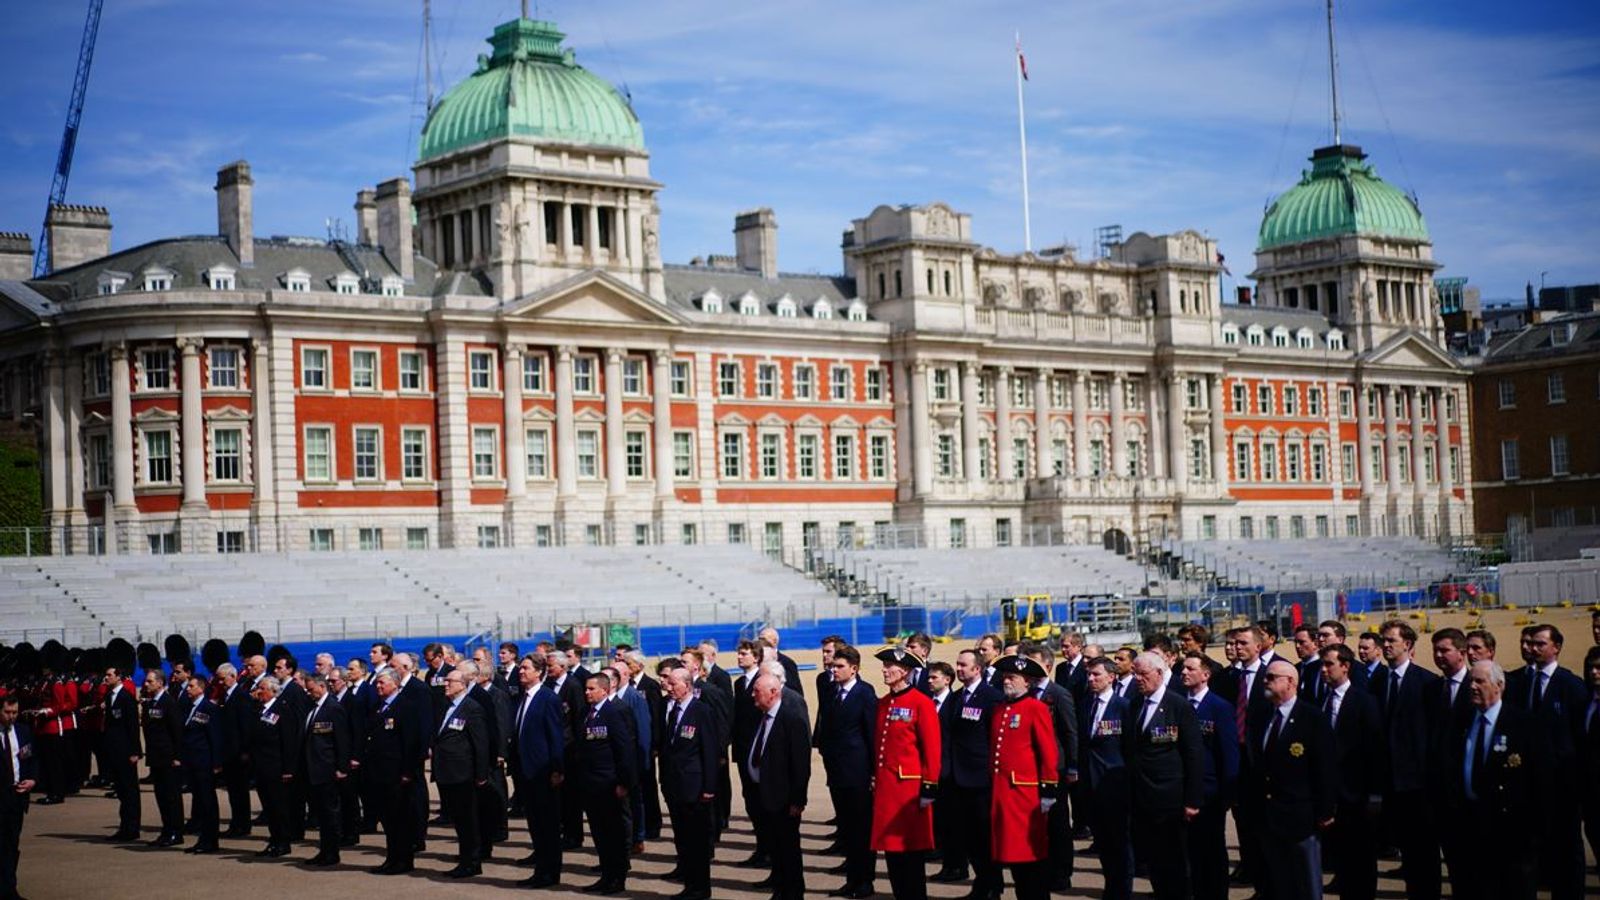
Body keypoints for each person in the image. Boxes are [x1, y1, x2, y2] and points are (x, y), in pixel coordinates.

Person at [1440, 661, 1552, 900]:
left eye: (1480, 681)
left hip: (1511, 834)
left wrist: (1534, 834)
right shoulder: (1462, 722)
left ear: (1499, 685)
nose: (1472, 686)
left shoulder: (1523, 725)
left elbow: (1541, 781)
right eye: (1471, 681)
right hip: (1469, 828)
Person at [1504, 623, 1586, 900]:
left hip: (1563, 784)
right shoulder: (1521, 683)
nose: (1534, 649)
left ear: (1556, 648)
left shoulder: (1571, 686)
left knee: (1567, 850)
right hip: (1530, 784)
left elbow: (1580, 737)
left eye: (1541, 644)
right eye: (1532, 644)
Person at [1243, 659, 1336, 900]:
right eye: (1266, 676)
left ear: (1291, 682)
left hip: (1300, 817)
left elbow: (1323, 768)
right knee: (1279, 883)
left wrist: (1325, 811)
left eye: (1272, 677)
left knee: (1305, 884)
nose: (1265, 680)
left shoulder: (1311, 718)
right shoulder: (1261, 716)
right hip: (1268, 816)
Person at [1124, 651, 1202, 900]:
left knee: (1175, 859)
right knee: (1154, 858)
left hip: (1171, 798)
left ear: (1159, 673)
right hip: (1143, 797)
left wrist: (1192, 799)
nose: (1137, 679)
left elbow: (1193, 755)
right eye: (1135, 673)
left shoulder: (1178, 706)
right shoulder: (1135, 704)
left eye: (1143, 674)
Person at [1373, 618, 1441, 900]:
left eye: (1391, 641)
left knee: (1424, 852)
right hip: (1390, 784)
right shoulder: (1377, 681)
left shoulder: (1427, 683)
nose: (1385, 646)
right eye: (1384, 641)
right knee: (1407, 853)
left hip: (1418, 786)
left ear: (1408, 645)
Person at [869, 646, 941, 900]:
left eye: (890, 667)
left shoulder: (921, 703)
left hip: (909, 791)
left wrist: (929, 785)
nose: (885, 670)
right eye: (885, 666)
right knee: (892, 853)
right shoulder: (884, 703)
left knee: (910, 855)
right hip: (887, 790)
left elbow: (931, 749)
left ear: (906, 671)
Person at [988, 655, 1059, 900]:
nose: (1006, 681)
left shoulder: (1036, 708)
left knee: (1031, 857)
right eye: (1005, 677)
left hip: (1026, 795)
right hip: (1003, 795)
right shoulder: (999, 709)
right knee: (1013, 858)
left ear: (1027, 682)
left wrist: (1049, 789)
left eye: (1012, 677)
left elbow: (1048, 752)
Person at [1318, 643, 1383, 900]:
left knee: (1362, 859)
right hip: (1333, 797)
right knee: (1342, 858)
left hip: (1358, 795)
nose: (1323, 670)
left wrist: (1375, 794)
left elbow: (1375, 750)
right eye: (1322, 664)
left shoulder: (1363, 702)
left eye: (1329, 664)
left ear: (1345, 667)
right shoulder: (1323, 701)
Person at [742, 671, 811, 900]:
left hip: (783, 799)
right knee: (776, 849)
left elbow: (801, 765)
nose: (753, 695)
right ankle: (780, 889)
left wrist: (797, 800)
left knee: (788, 850)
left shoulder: (792, 719)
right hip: (764, 794)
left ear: (773, 693)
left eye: (757, 691)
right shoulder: (762, 716)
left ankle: (792, 893)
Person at [816, 644, 876, 898]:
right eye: (833, 666)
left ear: (854, 669)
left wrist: (873, 773)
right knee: (848, 830)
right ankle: (852, 878)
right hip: (838, 772)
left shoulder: (865, 693)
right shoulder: (831, 692)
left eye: (840, 666)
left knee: (862, 830)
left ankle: (865, 881)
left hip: (859, 773)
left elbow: (871, 734)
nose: (834, 670)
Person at [940, 648, 1001, 899]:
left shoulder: (991, 697)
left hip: (981, 781)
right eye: (957, 664)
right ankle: (981, 883)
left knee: (985, 837)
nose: (958, 669)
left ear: (977, 669)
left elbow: (995, 739)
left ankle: (992, 886)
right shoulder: (955, 698)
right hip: (957, 779)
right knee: (968, 837)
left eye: (963, 665)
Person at [1179, 651, 1237, 900]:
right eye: (1183, 668)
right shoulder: (1178, 704)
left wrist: (1227, 795)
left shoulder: (1219, 707)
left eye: (1190, 669)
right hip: (1182, 790)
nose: (1184, 672)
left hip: (1210, 793)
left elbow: (1229, 753)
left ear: (1205, 675)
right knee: (1189, 851)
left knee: (1212, 851)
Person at [1021, 642, 1078, 893]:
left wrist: (1072, 766)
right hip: (1030, 769)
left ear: (1047, 665)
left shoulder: (1059, 694)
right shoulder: (1027, 694)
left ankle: (1062, 872)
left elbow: (1069, 732)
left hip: (1055, 768)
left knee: (1058, 825)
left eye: (1034, 664)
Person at [660, 664, 720, 900]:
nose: (669, 687)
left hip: (695, 789)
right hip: (676, 787)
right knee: (683, 840)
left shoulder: (700, 711)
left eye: (674, 684)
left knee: (697, 842)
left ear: (687, 685)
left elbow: (710, 751)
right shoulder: (673, 711)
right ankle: (690, 884)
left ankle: (700, 888)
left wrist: (709, 788)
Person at [578, 671, 637, 895]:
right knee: (599, 833)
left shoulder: (614, 713)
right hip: (591, 784)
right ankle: (606, 875)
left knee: (614, 834)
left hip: (610, 784)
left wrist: (624, 782)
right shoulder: (586, 713)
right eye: (586, 688)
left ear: (605, 690)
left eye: (591, 689)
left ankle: (617, 878)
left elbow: (625, 750)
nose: (587, 692)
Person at [1079, 656, 1133, 900]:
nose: (1091, 679)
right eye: (1089, 675)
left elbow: (1130, 748)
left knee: (1120, 844)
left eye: (1096, 675)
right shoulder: (1085, 704)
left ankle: (1122, 891)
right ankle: (1111, 886)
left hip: (1116, 785)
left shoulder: (1124, 706)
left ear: (1111, 677)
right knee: (1103, 842)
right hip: (1091, 785)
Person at [510, 653, 566, 889]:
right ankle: (540, 869)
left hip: (543, 773)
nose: (521, 672)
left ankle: (549, 873)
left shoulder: (547, 698)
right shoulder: (524, 698)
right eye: (520, 668)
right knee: (535, 824)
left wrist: (556, 769)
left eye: (525, 668)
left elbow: (556, 737)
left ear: (539, 671)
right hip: (526, 772)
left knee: (548, 826)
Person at [432, 667, 490, 879]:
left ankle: (472, 862)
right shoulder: (446, 706)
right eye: (445, 681)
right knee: (459, 821)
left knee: (468, 821)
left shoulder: (472, 708)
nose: (446, 684)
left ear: (463, 684)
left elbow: (480, 744)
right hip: (447, 773)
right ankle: (466, 858)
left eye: (450, 681)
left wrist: (481, 774)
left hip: (464, 774)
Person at [367, 670, 423, 875]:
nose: (378, 686)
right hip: (380, 773)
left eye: (382, 683)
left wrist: (408, 771)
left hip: (398, 774)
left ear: (395, 683)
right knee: (388, 820)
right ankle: (392, 858)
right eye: (377, 683)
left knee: (401, 819)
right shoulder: (378, 708)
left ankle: (404, 860)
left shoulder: (406, 707)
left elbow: (411, 743)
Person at [246, 674, 301, 859]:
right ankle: (274, 839)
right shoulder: (258, 710)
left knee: (279, 807)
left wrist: (288, 769)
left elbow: (289, 742)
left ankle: (283, 842)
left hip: (277, 768)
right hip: (262, 768)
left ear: (272, 691)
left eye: (262, 689)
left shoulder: (282, 710)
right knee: (268, 807)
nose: (258, 692)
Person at [300, 672, 350, 867]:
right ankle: (324, 850)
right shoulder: (313, 708)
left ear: (322, 687)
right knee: (322, 813)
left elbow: (342, 740)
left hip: (328, 769)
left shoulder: (333, 708)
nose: (309, 693)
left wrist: (341, 767)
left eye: (311, 689)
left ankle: (332, 853)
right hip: (315, 769)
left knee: (330, 814)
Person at [465, 659, 511, 861]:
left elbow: (500, 725)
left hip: (493, 754)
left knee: (496, 791)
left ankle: (499, 827)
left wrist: (501, 751)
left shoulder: (494, 695)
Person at [177, 674, 222, 855]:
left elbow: (216, 737)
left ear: (201, 688)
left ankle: (210, 840)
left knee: (207, 802)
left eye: (191, 686)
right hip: (192, 762)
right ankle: (203, 838)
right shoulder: (189, 707)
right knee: (199, 803)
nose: (188, 689)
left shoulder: (209, 708)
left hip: (205, 763)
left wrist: (217, 763)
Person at [141, 669, 185, 848]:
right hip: (156, 757)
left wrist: (177, 756)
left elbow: (177, 732)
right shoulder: (151, 703)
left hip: (169, 757)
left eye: (150, 681)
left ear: (160, 683)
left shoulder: (169, 703)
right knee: (161, 796)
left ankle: (176, 832)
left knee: (171, 796)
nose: (146, 684)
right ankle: (167, 830)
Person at [0, 696, 38, 900]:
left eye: (15, 712)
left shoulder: (23, 731)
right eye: (7, 712)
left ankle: (9, 888)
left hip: (16, 797)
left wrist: (32, 779)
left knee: (12, 845)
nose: (11, 716)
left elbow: (31, 758)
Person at [101, 666, 141, 841]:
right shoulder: (110, 697)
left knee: (129, 791)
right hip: (115, 751)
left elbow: (132, 727)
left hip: (126, 752)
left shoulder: (126, 698)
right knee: (121, 791)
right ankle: (124, 827)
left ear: (119, 677)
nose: (106, 677)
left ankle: (132, 828)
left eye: (109, 675)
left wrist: (135, 751)